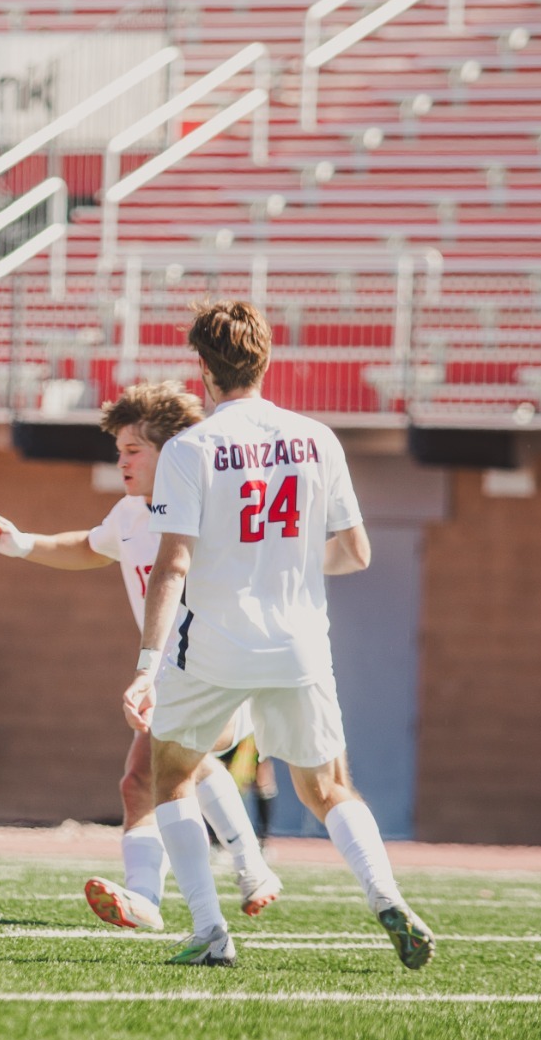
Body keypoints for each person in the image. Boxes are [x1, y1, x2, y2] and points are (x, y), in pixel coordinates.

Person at [122, 300, 435, 969]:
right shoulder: (317, 437)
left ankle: (210, 931)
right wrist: (283, 562)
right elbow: (355, 551)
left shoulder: (189, 447)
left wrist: (147, 662)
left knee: (171, 774)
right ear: (266, 360)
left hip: (214, 644)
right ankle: (386, 894)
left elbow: (173, 561)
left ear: (202, 368)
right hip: (300, 643)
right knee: (328, 787)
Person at [0, 381, 280, 935]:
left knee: (153, 771)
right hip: (168, 676)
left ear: (174, 453)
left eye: (133, 450)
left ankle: (154, 897)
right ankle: (247, 867)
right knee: (152, 775)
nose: (121, 461)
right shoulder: (129, 514)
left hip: (219, 670)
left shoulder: (212, 509)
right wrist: (22, 544)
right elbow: (89, 546)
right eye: (119, 450)